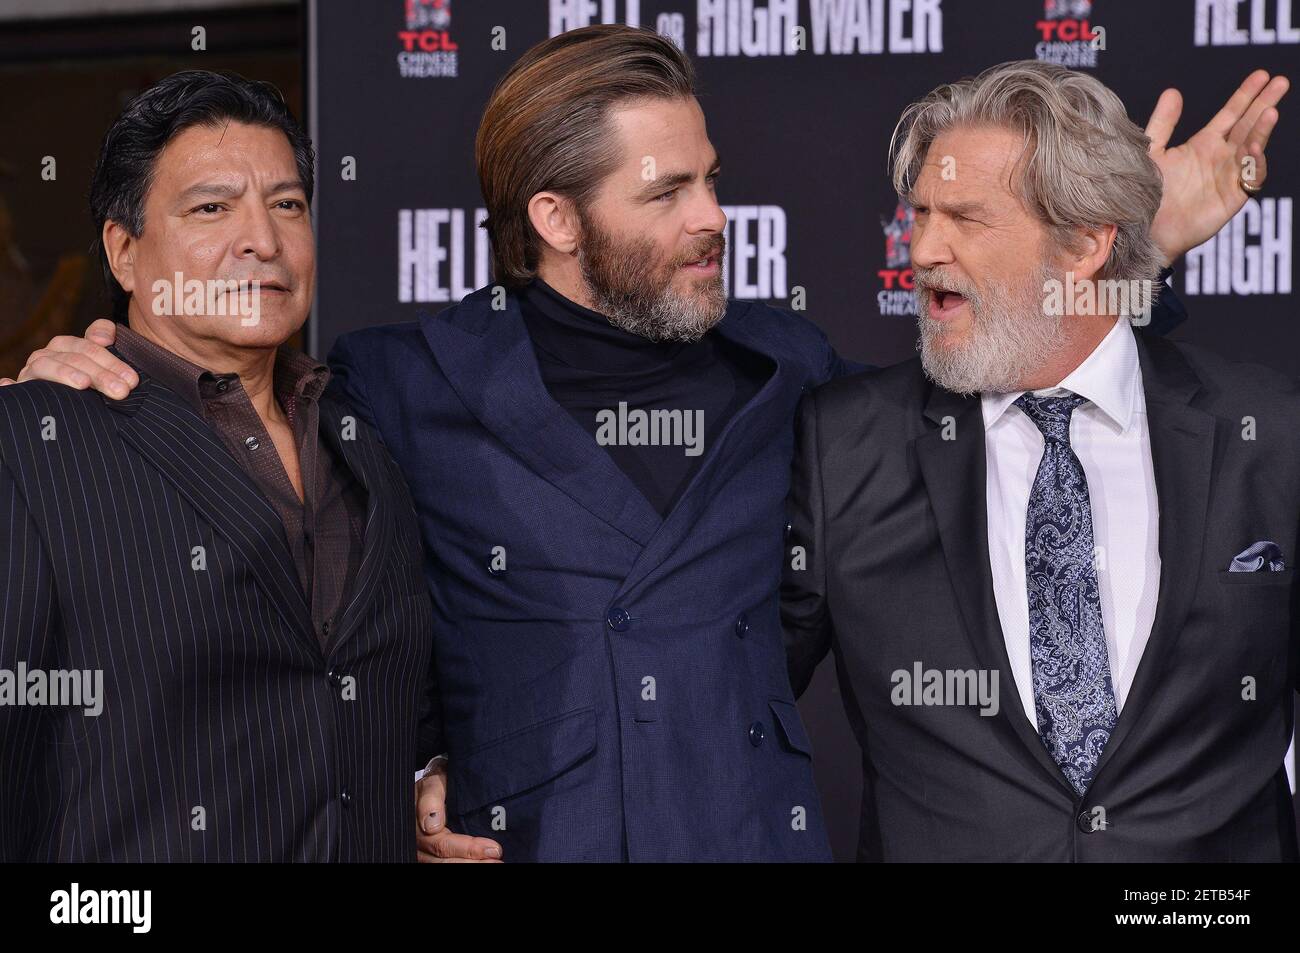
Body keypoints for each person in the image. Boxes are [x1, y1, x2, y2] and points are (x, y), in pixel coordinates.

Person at [10, 28, 1286, 861]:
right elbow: (266, 478)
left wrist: (1137, 244)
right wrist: (85, 360)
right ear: (556, 217)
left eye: (711, 178)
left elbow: (1002, 377)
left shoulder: (798, 385)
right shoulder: (399, 385)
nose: (715, 217)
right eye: (667, 192)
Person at [782, 60, 1298, 861]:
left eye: (965, 217)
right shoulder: (845, 444)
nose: (921, 249)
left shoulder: (1270, 433)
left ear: (1088, 243)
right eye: (918, 212)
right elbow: (726, 699)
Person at [0, 71, 497, 862]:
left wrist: (421, 778)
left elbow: (383, 700)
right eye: (211, 207)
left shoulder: (365, 443)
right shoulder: (31, 442)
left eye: (288, 205)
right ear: (124, 253)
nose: (262, 240)